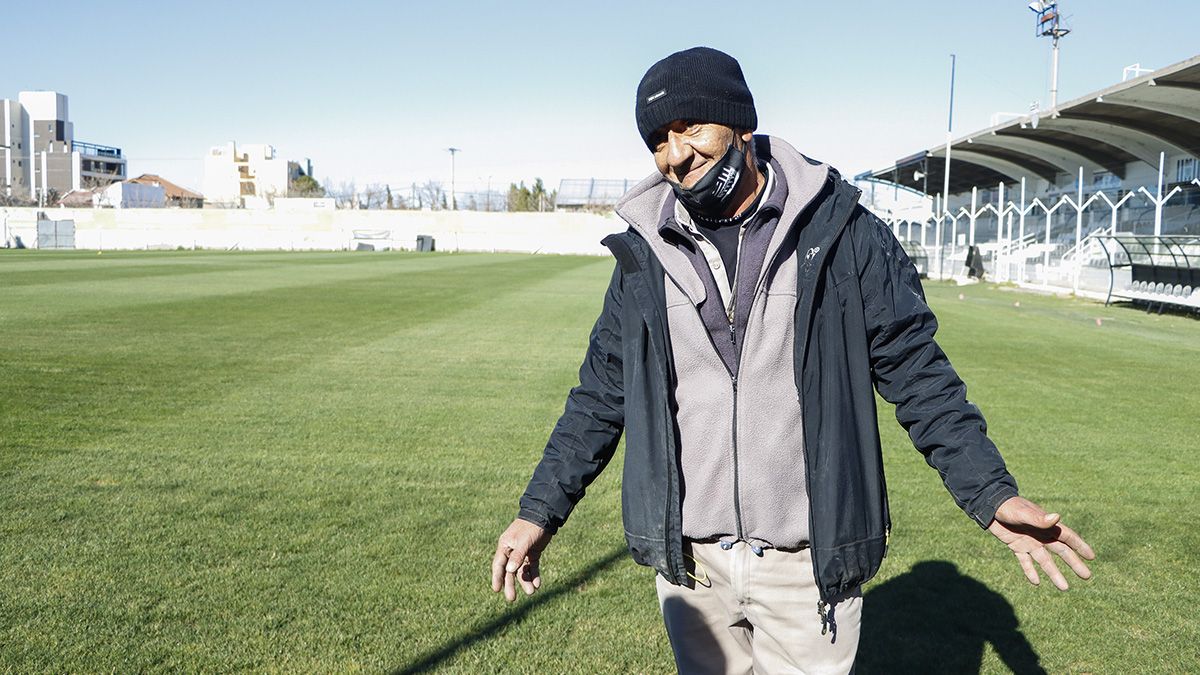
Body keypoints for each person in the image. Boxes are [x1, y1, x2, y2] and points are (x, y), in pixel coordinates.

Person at [489, 46, 1095, 673]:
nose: (674, 155)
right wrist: (538, 513)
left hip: (807, 567)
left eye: (690, 127)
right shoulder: (644, 254)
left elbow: (920, 377)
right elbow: (599, 396)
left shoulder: (843, 234)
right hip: (692, 568)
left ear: (740, 125)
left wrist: (990, 494)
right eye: (657, 141)